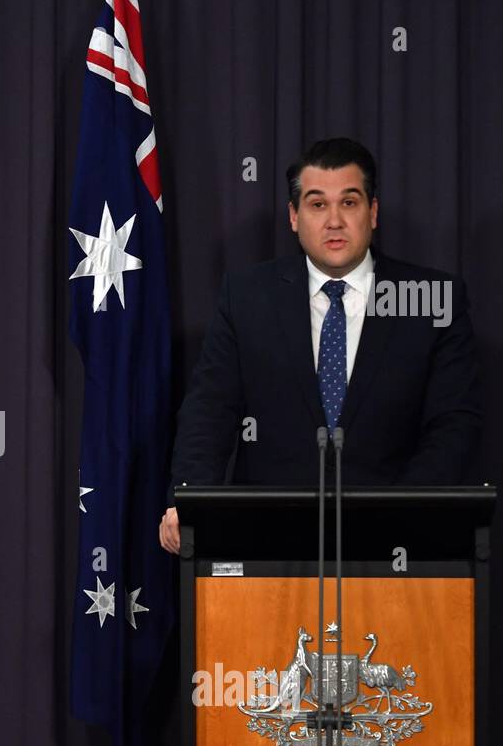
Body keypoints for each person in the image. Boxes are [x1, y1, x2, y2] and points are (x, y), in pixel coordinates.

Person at [159, 138, 481, 553]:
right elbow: (209, 412)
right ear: (294, 216)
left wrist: (398, 515)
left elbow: (454, 425)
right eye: (316, 204)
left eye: (349, 203)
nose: (334, 221)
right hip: (270, 546)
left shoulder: (429, 297)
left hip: (397, 549)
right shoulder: (248, 296)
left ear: (373, 212)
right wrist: (190, 500)